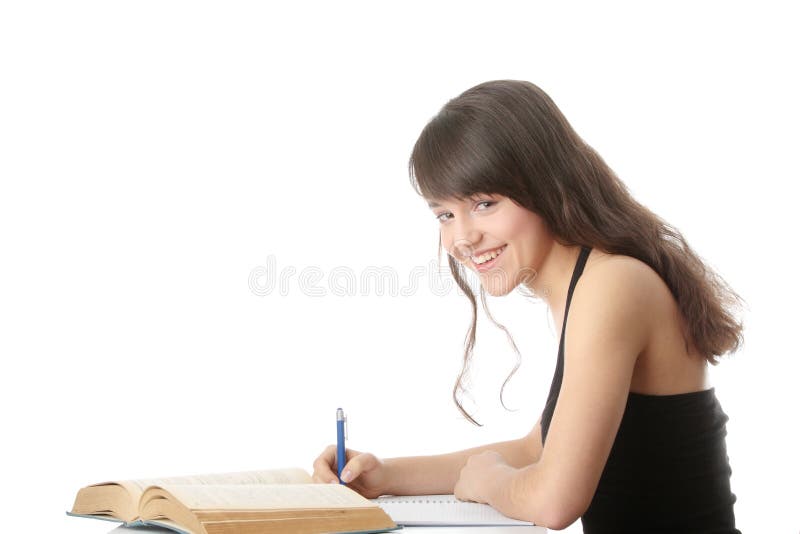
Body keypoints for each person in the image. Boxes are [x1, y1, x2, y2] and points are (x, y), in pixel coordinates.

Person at [311, 80, 744, 533]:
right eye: (445, 214)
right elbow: (540, 449)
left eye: (484, 203)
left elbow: (555, 501)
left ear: (545, 183)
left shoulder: (613, 285)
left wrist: (491, 481)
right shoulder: (587, 283)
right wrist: (383, 477)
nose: (462, 237)